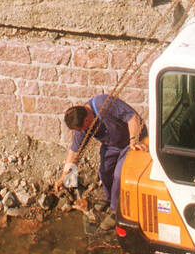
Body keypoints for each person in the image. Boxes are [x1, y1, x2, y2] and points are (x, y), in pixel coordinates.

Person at [61, 93, 145, 230]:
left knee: (119, 175)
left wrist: (134, 140)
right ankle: (108, 198)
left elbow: (132, 117)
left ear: (88, 119)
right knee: (104, 171)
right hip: (111, 145)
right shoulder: (82, 123)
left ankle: (115, 210)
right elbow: (74, 152)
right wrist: (64, 177)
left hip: (130, 141)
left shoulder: (105, 104)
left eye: (83, 128)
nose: (82, 131)